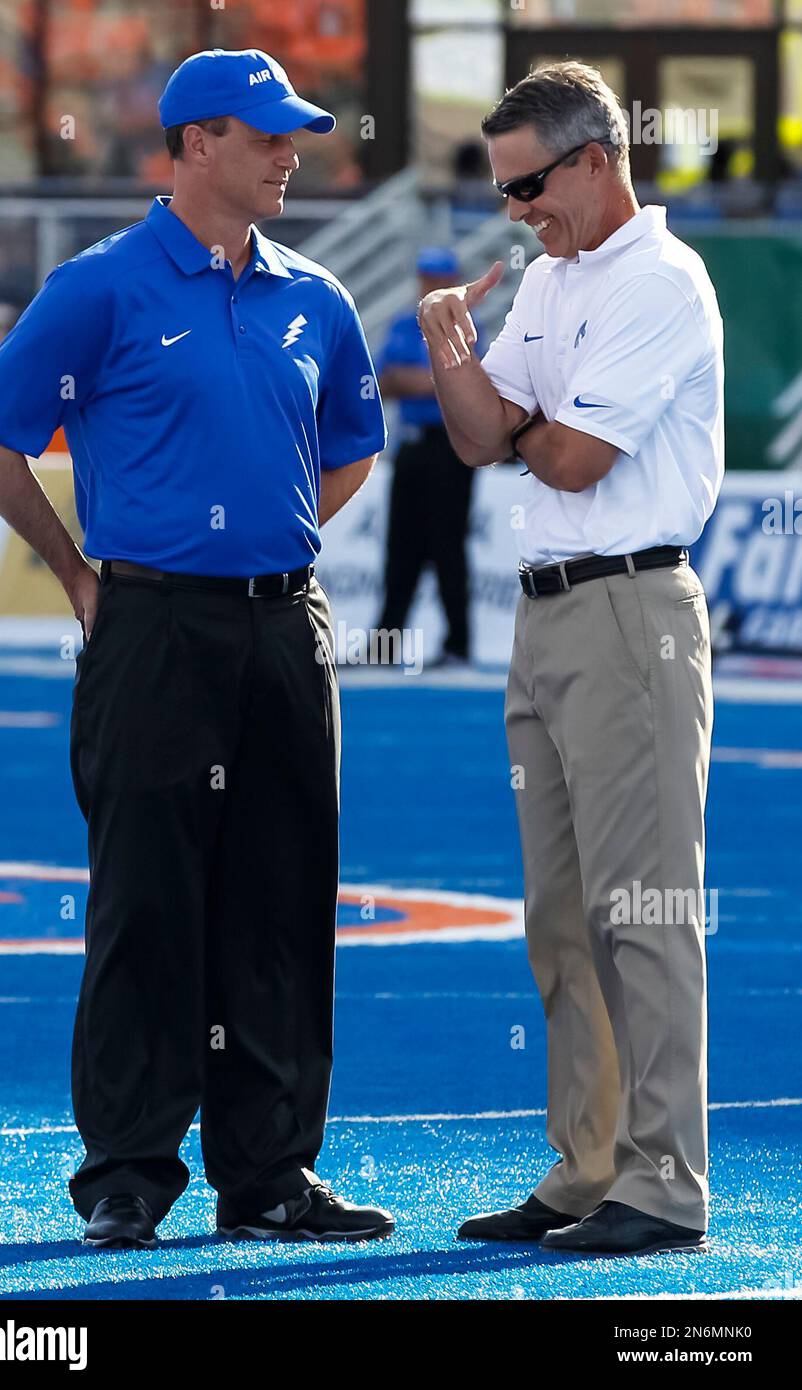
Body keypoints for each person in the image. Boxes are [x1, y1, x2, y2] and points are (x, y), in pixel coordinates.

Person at [0, 48, 394, 1249]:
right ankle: (128, 1172)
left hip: (282, 627)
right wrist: (79, 577)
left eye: (293, 132)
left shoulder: (320, 296)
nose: (291, 152)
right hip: (148, 624)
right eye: (267, 136)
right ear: (196, 144)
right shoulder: (101, 287)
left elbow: (352, 444)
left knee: (285, 901)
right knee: (146, 898)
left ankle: (269, 1175)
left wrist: (275, 544)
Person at [418, 62, 723, 1256]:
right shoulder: (551, 279)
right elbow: (480, 434)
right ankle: (589, 1162)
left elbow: (567, 460)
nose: (515, 209)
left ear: (595, 158)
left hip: (629, 607)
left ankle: (662, 1180)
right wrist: (453, 349)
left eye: (529, 182)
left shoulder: (660, 279)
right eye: (503, 187)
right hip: (552, 616)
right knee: (559, 914)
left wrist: (510, 419)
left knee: (641, 908)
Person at [377, 248, 476, 667]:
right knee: (400, 546)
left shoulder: (467, 326)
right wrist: (436, 380)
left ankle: (457, 644)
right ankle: (385, 645)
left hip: (450, 445)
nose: (430, 287)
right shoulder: (405, 324)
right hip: (413, 443)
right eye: (426, 278)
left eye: (439, 279)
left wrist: (420, 381)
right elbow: (384, 381)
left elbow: (467, 383)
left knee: (447, 544)